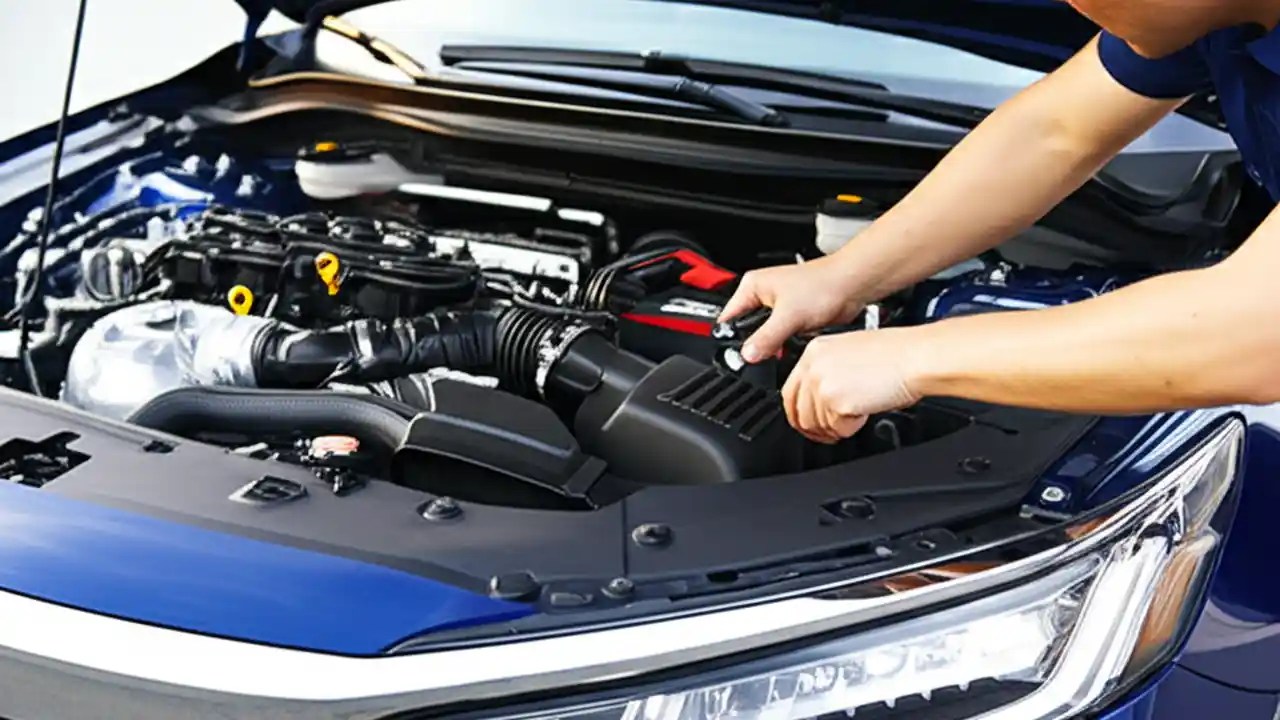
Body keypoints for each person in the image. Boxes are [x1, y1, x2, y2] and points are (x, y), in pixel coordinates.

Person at [717, 0, 1280, 444]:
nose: (1073, 6)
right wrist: (842, 276)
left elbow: (1255, 331)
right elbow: (1056, 130)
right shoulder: (1217, 16)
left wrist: (912, 358)